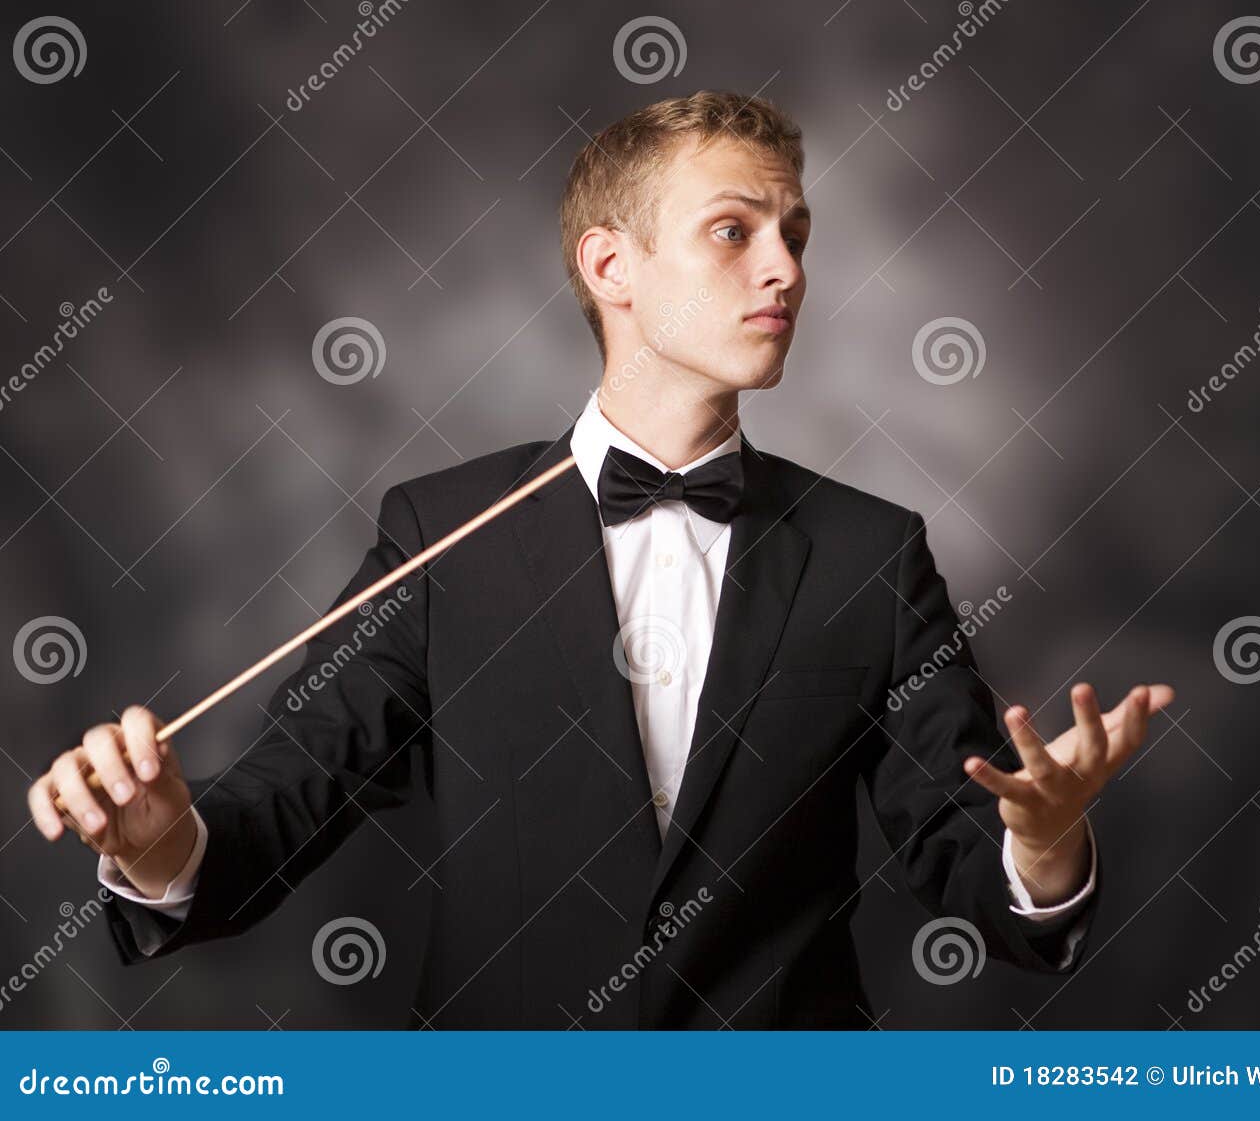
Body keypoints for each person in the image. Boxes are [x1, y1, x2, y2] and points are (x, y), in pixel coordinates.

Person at [28, 90, 1172, 1028]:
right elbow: (278, 805)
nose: (785, 269)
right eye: (736, 230)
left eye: (796, 234)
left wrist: (1041, 839)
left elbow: (978, 866)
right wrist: (160, 838)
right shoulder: (441, 533)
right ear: (612, 265)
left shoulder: (871, 551)